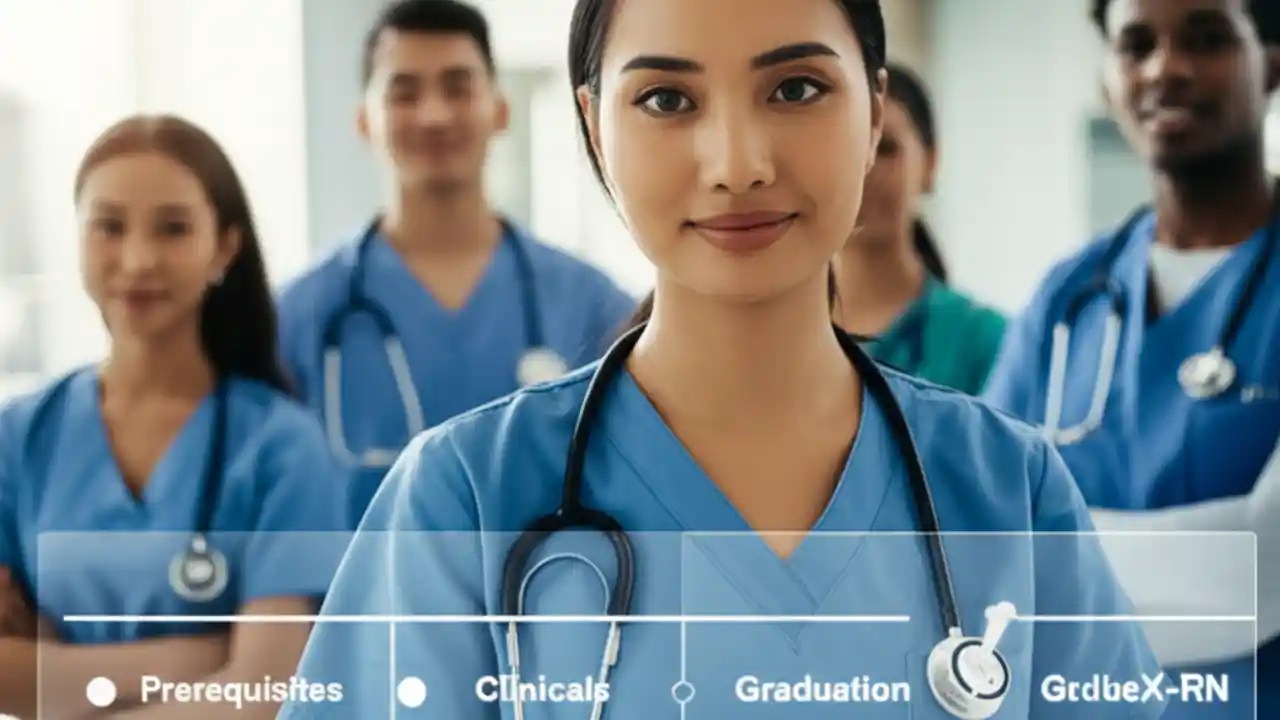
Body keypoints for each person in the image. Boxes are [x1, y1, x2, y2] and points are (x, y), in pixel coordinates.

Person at [281, 1, 1166, 718]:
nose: (737, 164)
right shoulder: (463, 498)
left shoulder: (1009, 489)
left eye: (796, 88)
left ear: (874, 113)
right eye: (667, 99)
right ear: (594, 128)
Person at [983, 0, 1280, 717]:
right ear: (1107, 80)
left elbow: (1256, 581)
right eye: (1135, 44)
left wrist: (1046, 554)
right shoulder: (1067, 299)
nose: (1165, 69)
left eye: (1207, 38)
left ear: (1271, 64)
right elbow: (977, 534)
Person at [0, 115, 345, 719]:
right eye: (109, 226)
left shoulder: (281, 446)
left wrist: (56, 679)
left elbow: (260, 698)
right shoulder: (19, 436)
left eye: (173, 229)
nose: (138, 259)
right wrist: (192, 659)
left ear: (225, 246)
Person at [276, 0, 637, 528]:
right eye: (404, 92)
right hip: (367, 608)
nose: (434, 114)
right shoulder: (297, 318)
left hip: (535, 602)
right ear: (362, 119)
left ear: (499, 108)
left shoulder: (592, 305)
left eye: (457, 86)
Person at [836, 64, 1006, 395]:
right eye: (845, 147)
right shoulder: (773, 339)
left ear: (930, 164)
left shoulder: (987, 343)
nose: (863, 171)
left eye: (886, 149)